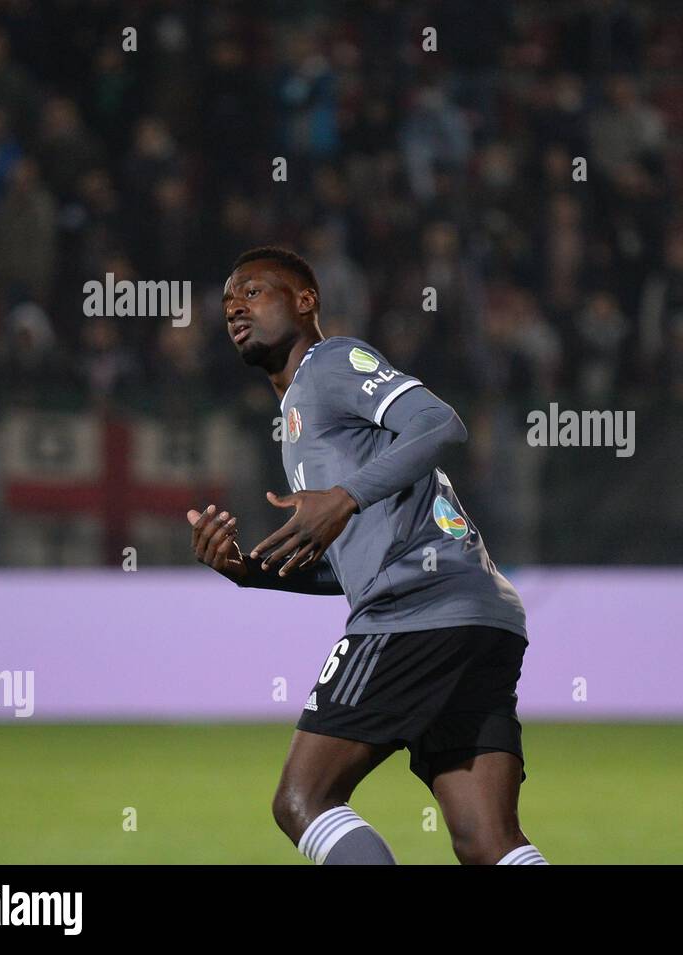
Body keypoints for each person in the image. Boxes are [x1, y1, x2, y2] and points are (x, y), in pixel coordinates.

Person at [188, 246, 546, 865]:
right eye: (227, 303)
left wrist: (344, 498)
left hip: (415, 613)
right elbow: (357, 559)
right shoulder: (301, 411)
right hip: (480, 617)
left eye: (252, 292)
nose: (235, 309)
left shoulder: (330, 364)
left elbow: (440, 422)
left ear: (305, 302)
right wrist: (251, 574)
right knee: (489, 841)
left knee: (303, 799)